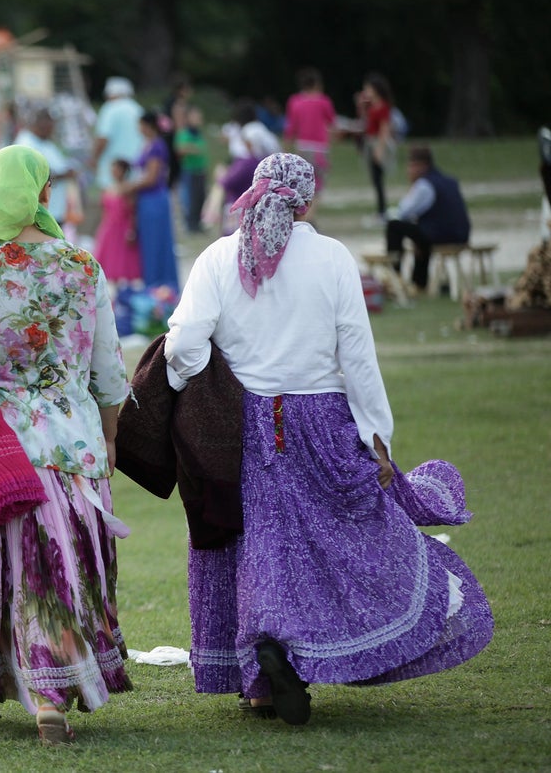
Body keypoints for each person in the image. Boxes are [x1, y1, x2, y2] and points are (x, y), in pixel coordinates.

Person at [156, 152, 492, 725]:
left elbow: (185, 344)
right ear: (307, 200)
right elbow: (356, 354)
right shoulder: (333, 258)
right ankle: (294, 655)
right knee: (328, 541)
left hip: (245, 423)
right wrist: (376, 436)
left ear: (257, 192)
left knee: (254, 541)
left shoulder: (218, 257)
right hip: (321, 419)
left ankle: (260, 676)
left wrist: (187, 379)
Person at [0, 144, 133, 743]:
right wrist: (112, 436)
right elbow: (109, 373)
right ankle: (52, 702)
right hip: (74, 450)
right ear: (45, 195)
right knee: (57, 577)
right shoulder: (83, 267)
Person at [385, 146, 472, 294]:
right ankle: (419, 282)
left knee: (394, 226)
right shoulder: (449, 180)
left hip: (441, 235)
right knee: (420, 236)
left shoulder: (425, 185)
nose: (408, 170)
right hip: (460, 234)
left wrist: (412, 187)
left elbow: (404, 211)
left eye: (411, 166)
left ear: (421, 166)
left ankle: (395, 274)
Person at [119, 112, 179, 291]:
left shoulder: (157, 146)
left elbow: (151, 177)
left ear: (148, 125)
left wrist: (129, 187)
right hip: (145, 200)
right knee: (146, 243)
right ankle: (151, 283)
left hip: (154, 199)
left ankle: (160, 284)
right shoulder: (146, 145)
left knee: (156, 242)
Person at [14, 108, 77, 238]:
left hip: (54, 210)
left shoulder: (46, 143)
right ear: (40, 124)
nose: (51, 130)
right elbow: (33, 176)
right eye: (49, 126)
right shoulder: (26, 143)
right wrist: (63, 175)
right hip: (37, 214)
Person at [283, 67, 337, 196]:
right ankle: (312, 211)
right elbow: (332, 123)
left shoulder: (295, 101)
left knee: (302, 180)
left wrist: (286, 147)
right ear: (317, 84)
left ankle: (304, 209)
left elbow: (291, 128)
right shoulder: (324, 101)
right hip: (320, 148)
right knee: (318, 182)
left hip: (302, 146)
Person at [92, 159, 142, 284]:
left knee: (123, 259)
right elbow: (104, 210)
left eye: (117, 169)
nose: (114, 172)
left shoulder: (128, 188)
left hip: (122, 227)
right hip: (109, 227)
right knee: (108, 258)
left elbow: (132, 212)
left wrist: (132, 230)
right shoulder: (108, 188)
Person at [90, 77, 144, 189]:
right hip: (136, 167)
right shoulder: (138, 109)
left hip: (113, 168)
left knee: (113, 201)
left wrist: (94, 158)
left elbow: (103, 138)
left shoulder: (110, 108)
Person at [356, 73, 397, 220]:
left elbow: (384, 129)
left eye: (368, 89)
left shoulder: (383, 106)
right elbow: (366, 123)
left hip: (377, 143)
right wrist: (361, 106)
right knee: (375, 178)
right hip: (370, 142)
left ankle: (382, 211)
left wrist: (379, 150)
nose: (366, 91)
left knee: (378, 178)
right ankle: (381, 210)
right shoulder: (372, 106)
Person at [174, 106, 209, 234]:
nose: (198, 119)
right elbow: (180, 150)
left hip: (200, 170)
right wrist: (193, 148)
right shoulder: (184, 133)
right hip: (189, 171)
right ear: (188, 118)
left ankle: (197, 224)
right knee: (190, 199)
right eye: (195, 116)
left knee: (201, 197)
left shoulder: (198, 133)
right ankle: (190, 225)